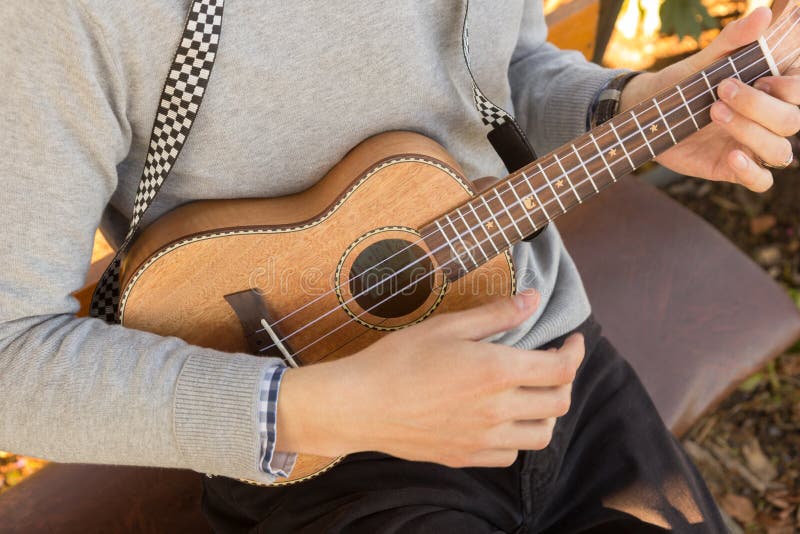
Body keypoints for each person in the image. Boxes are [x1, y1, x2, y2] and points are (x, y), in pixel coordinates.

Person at [1, 2, 798, 532]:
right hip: (313, 444)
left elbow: (499, 73)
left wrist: (630, 109)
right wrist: (315, 410)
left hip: (554, 361)